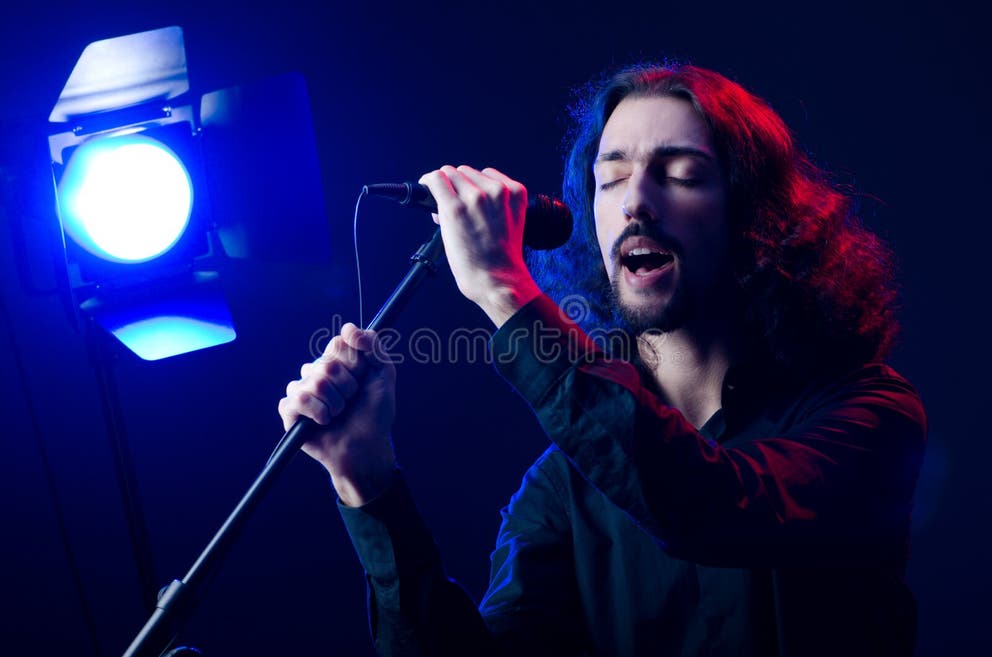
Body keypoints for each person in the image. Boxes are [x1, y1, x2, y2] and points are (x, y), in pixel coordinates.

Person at [278, 63, 926, 657]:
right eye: (610, 177)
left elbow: (714, 504)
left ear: (751, 213)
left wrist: (506, 292)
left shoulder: (867, 411)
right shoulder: (565, 486)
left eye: (680, 174)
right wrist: (368, 480)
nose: (635, 202)